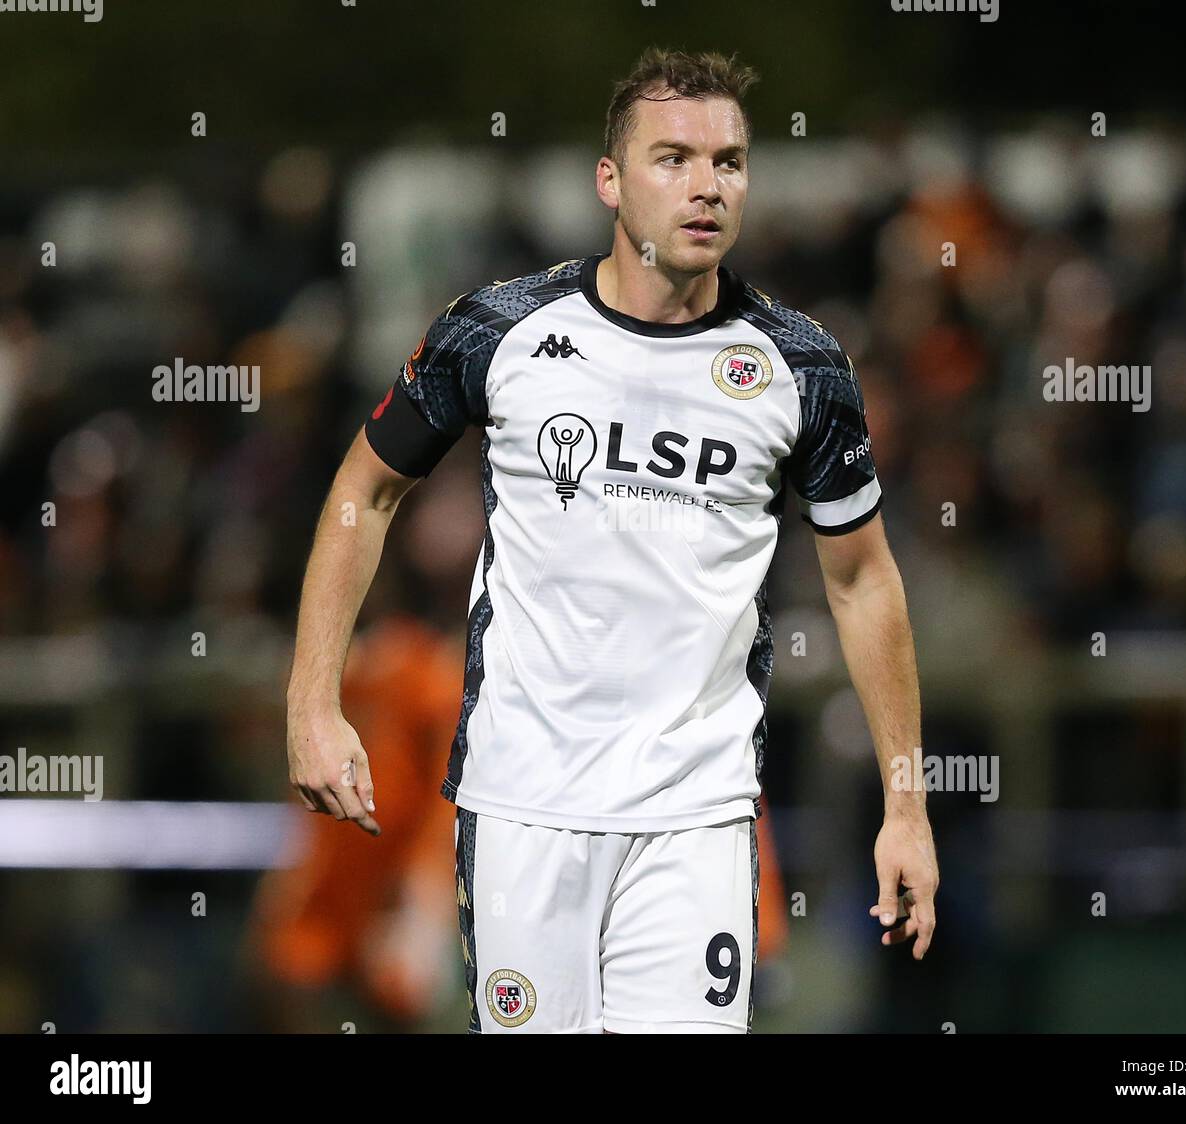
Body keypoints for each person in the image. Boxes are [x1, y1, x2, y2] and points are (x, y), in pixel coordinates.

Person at [286, 45, 938, 1034]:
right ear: (610, 180)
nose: (706, 185)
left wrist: (905, 801)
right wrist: (311, 700)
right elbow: (361, 492)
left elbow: (863, 580)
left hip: (696, 814)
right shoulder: (495, 331)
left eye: (729, 161)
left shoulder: (799, 365)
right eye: (672, 157)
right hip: (521, 804)